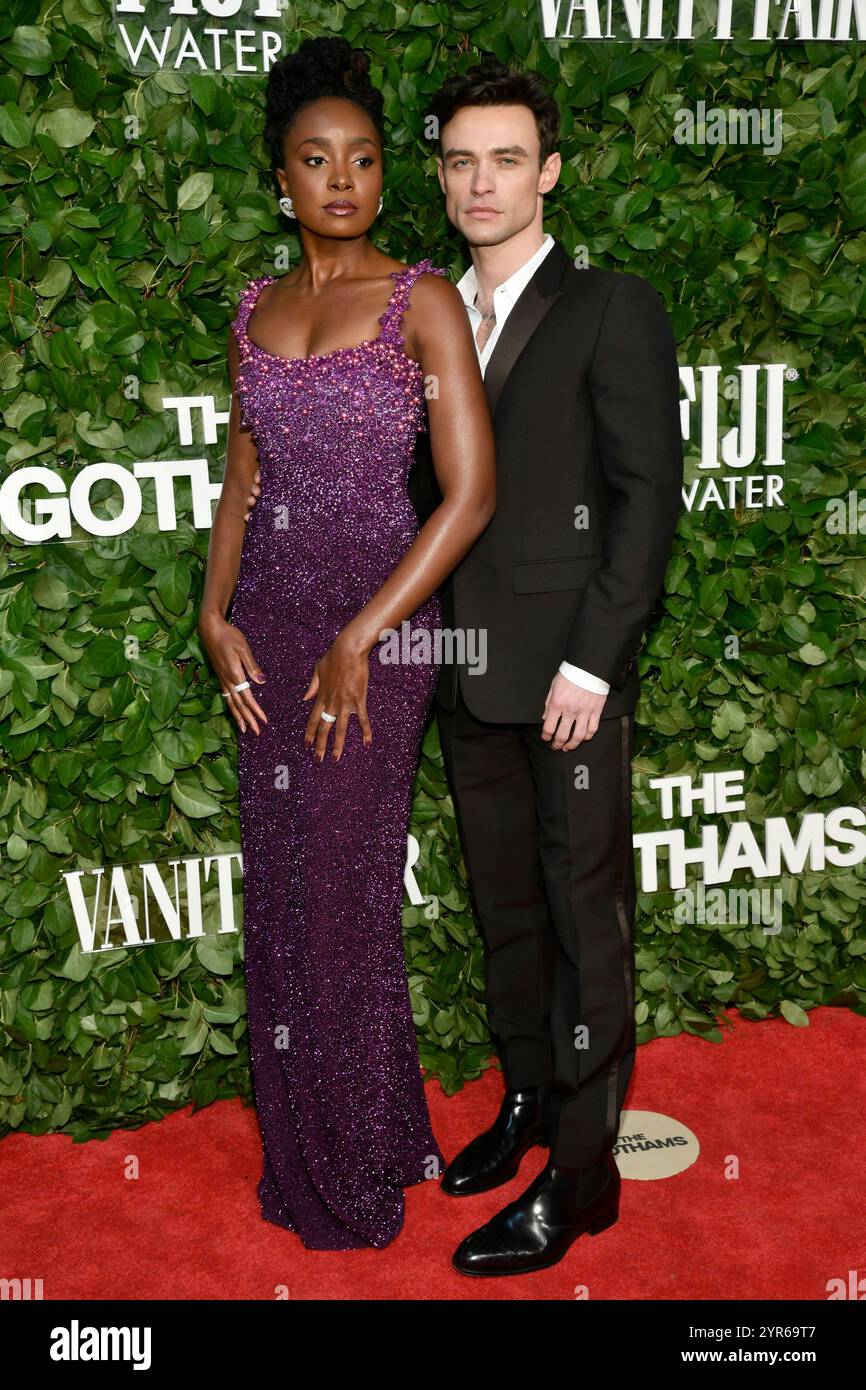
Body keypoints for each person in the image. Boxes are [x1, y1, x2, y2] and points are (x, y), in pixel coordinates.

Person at [197, 35, 496, 1252]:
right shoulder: (253, 311)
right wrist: (213, 614)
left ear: (386, 177)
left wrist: (365, 634)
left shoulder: (424, 298)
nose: (339, 179)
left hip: (379, 630)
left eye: (362, 160)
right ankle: (354, 1133)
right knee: (287, 889)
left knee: (347, 893)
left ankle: (354, 1165)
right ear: (282, 179)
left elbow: (467, 496)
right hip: (270, 623)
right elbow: (239, 482)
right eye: (314, 160)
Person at [425, 58, 684, 1276]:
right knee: (506, 910)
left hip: (569, 678)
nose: (483, 181)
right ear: (442, 176)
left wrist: (593, 661)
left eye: (507, 158)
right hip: (465, 671)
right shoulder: (424, 314)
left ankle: (582, 1179)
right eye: (462, 160)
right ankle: (528, 1101)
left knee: (587, 925)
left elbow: (643, 502)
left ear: (550, 173)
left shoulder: (607, 305)